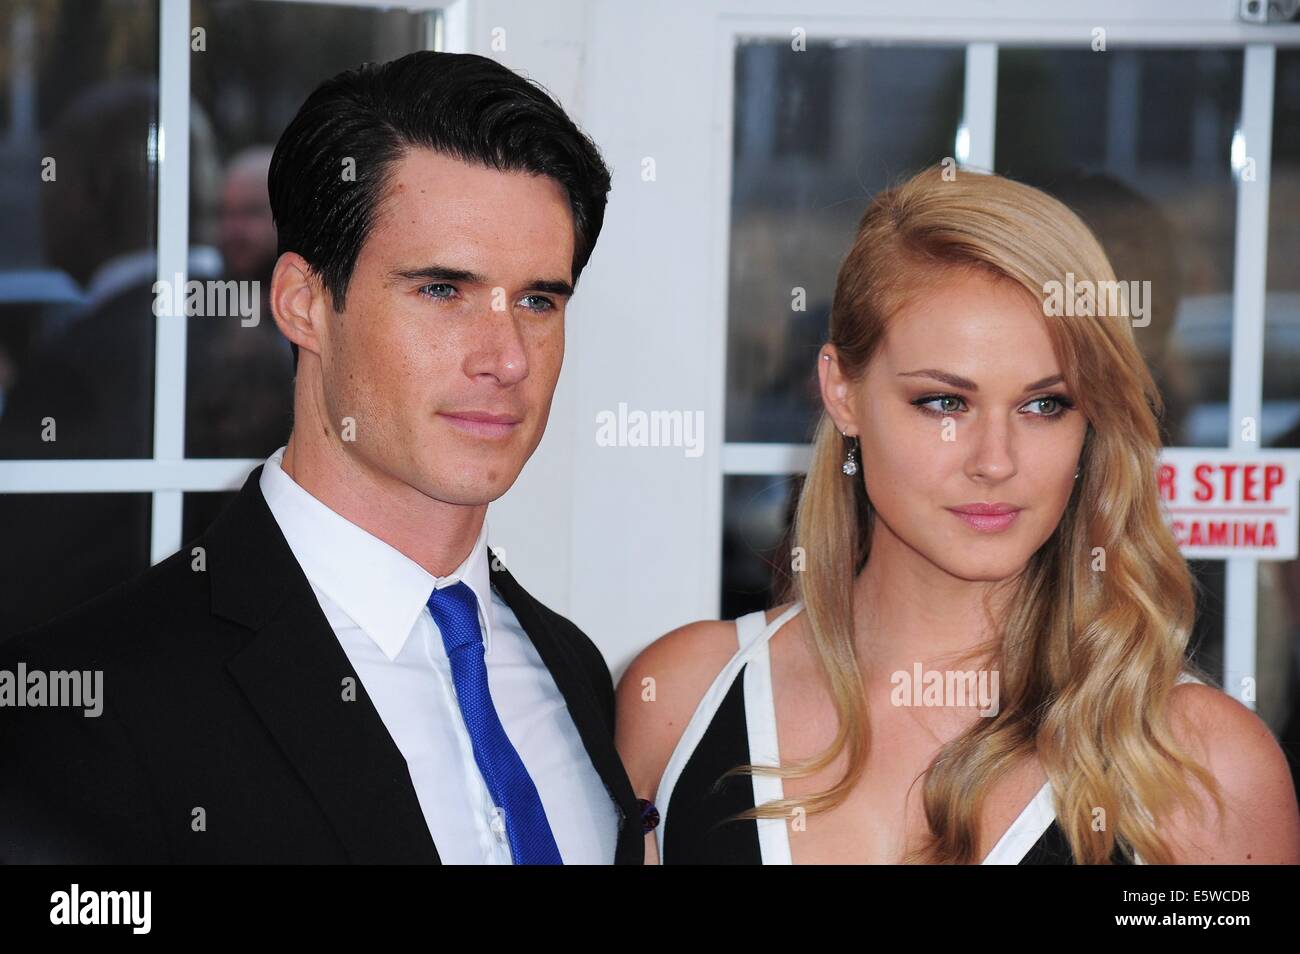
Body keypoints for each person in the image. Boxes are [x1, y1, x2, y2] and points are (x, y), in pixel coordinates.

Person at [0, 51, 641, 865]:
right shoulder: (95, 706)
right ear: (303, 303)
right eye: (442, 290)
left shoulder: (570, 670)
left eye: (538, 300)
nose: (506, 357)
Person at [615, 165, 1300, 865]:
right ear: (841, 391)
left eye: (1045, 404)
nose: (995, 460)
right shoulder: (679, 700)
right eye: (945, 402)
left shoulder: (1204, 769)